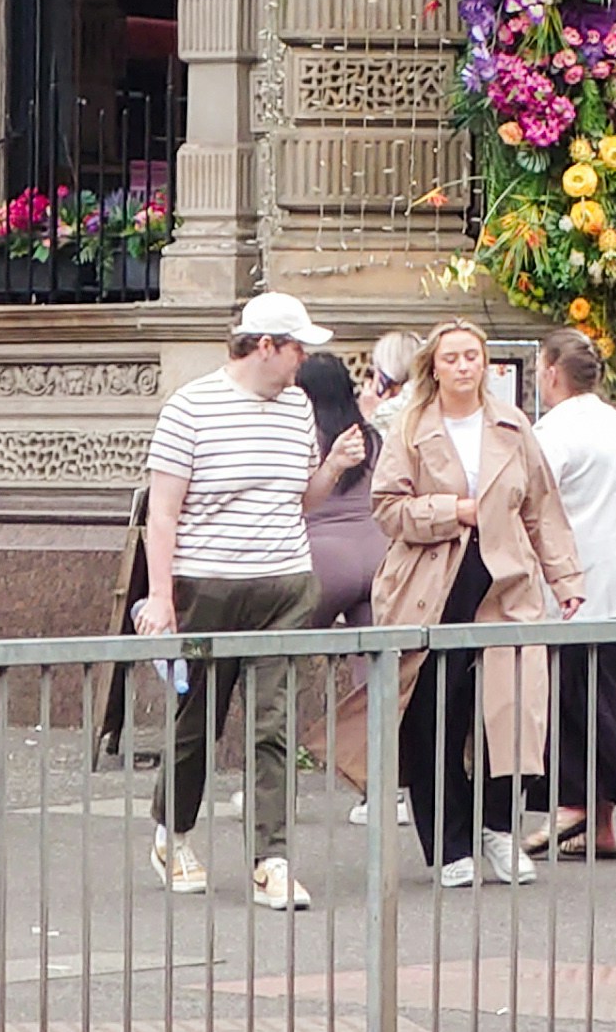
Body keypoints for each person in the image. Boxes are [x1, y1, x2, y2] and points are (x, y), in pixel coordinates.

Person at [133, 289, 331, 910]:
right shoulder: (191, 407)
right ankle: (173, 832)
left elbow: (300, 498)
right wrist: (161, 597)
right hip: (208, 584)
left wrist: (334, 472)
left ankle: (270, 858)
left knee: (273, 726)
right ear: (265, 346)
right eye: (296, 347)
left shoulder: (298, 409)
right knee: (197, 721)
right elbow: (162, 512)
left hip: (284, 582)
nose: (304, 360)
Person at [372, 323, 585, 889]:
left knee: (515, 708)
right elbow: (388, 508)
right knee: (431, 716)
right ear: (434, 368)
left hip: (505, 583)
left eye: (474, 357)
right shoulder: (411, 427)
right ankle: (449, 843)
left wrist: (565, 579)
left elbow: (543, 508)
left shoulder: (514, 427)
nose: (465, 366)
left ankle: (495, 823)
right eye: (453, 358)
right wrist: (452, 511)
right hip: (429, 585)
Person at [533, 327, 616, 858]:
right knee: (611, 700)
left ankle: (573, 806)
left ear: (553, 372)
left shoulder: (551, 433)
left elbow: (534, 504)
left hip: (571, 586)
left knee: (571, 704)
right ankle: (600, 825)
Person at [297, 345, 385, 816]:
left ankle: (275, 785)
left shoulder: (300, 436)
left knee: (276, 669)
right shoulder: (370, 437)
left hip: (319, 559)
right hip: (377, 558)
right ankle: (381, 790)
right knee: (374, 679)